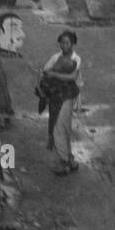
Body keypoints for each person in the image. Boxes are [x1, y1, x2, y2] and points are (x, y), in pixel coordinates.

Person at [41, 30, 82, 174]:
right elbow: (45, 70)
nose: (64, 46)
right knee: (60, 126)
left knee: (62, 127)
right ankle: (69, 159)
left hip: (67, 97)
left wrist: (54, 74)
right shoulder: (55, 57)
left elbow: (72, 77)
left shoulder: (76, 59)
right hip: (56, 96)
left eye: (67, 43)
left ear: (73, 44)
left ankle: (64, 162)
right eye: (62, 43)